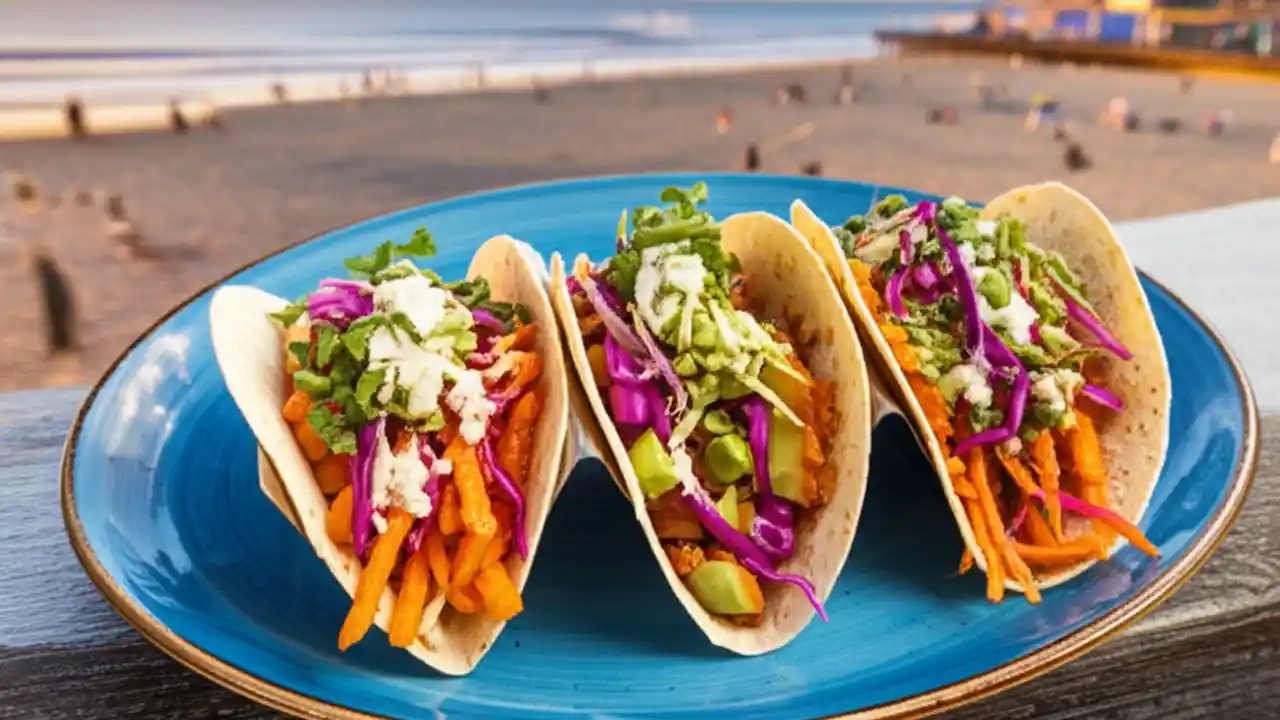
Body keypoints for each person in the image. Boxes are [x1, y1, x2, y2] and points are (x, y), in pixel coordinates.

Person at [29, 245, 79, 356]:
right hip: (62, 318)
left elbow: (55, 303)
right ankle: (64, 344)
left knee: (60, 331)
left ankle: (62, 345)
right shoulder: (53, 276)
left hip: (59, 319)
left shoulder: (49, 277)